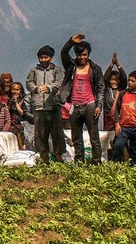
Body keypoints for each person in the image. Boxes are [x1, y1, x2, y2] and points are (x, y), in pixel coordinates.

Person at [60, 34, 104, 163]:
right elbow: (63, 54)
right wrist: (70, 42)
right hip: (74, 105)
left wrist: (98, 106)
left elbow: (101, 87)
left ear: (88, 54)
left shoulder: (95, 68)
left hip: (90, 104)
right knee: (76, 137)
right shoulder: (71, 66)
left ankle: (97, 162)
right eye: (79, 55)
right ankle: (79, 161)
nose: (82, 57)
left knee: (94, 136)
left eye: (84, 55)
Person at [26, 46, 65, 164]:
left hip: (53, 106)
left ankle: (59, 158)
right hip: (38, 107)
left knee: (57, 134)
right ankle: (45, 159)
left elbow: (59, 83)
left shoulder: (57, 70)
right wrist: (35, 89)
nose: (43, 59)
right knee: (40, 135)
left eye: (46, 57)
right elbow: (29, 83)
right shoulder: (33, 71)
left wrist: (48, 88)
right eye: (41, 57)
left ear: (51, 58)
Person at [110, 71, 136, 163]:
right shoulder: (122, 94)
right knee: (118, 146)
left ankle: (134, 170)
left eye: (133, 81)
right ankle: (116, 166)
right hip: (124, 127)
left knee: (135, 150)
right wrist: (117, 124)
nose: (130, 83)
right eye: (129, 80)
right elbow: (117, 109)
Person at [100, 55, 127, 160]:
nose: (114, 82)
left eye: (116, 80)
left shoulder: (122, 90)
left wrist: (118, 65)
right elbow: (104, 78)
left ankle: (122, 161)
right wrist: (111, 65)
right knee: (109, 143)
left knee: (121, 141)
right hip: (108, 119)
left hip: (120, 119)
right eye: (112, 79)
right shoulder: (106, 90)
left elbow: (124, 77)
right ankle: (111, 161)